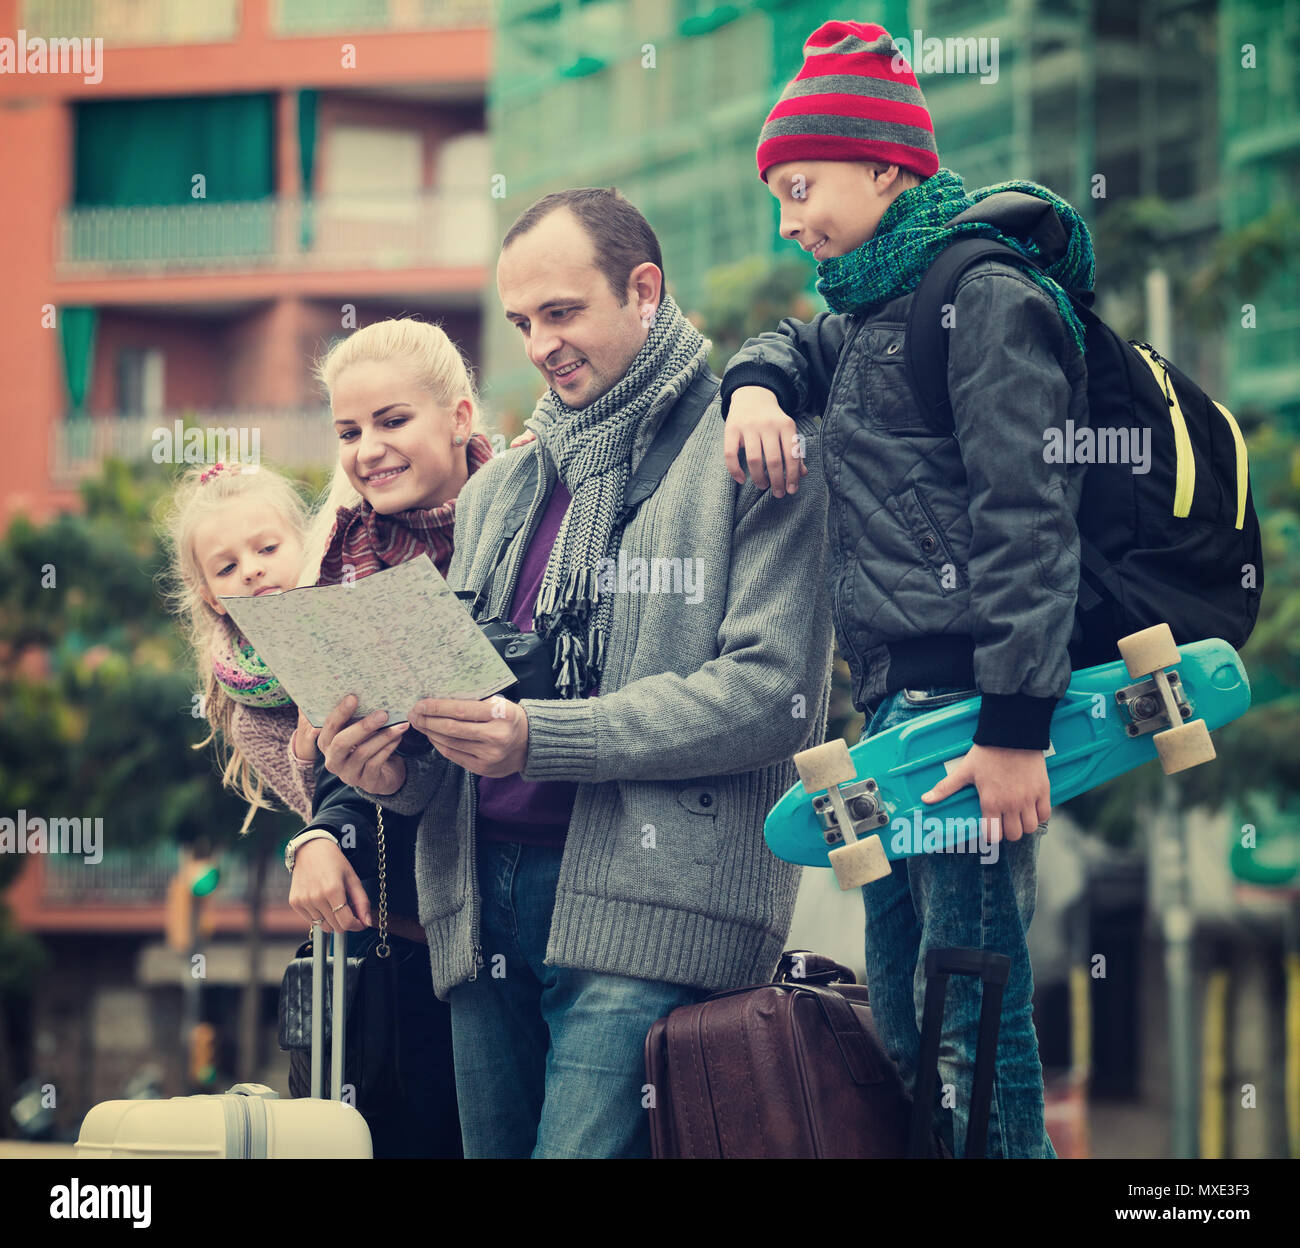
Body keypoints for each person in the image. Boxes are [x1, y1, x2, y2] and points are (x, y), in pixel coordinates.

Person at [317, 187, 836, 1159]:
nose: (541, 343)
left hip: (653, 911)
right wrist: (384, 770)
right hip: (479, 915)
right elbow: (454, 719)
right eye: (521, 322)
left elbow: (774, 695)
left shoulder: (750, 445)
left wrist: (537, 739)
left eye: (562, 312)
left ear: (644, 289)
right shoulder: (502, 487)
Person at [718, 19, 1095, 1158]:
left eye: (804, 187)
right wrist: (751, 386)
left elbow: (1030, 515)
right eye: (777, 195)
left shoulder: (978, 296)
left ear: (887, 168)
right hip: (897, 714)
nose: (789, 221)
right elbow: (795, 341)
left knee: (970, 1017)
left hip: (972, 713)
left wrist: (1017, 725)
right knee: (907, 1008)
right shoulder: (868, 311)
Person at [283, 317, 493, 1158]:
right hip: (397, 934)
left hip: (514, 924)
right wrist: (320, 832)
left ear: (461, 416)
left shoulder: (522, 526)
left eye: (392, 420)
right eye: (347, 431)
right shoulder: (341, 553)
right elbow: (342, 747)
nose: (367, 449)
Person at [158, 460, 317, 833]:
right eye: (226, 569)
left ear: (305, 543)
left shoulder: (358, 603)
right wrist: (305, 754)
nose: (250, 569)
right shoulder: (252, 719)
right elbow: (324, 816)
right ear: (212, 597)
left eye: (267, 548)